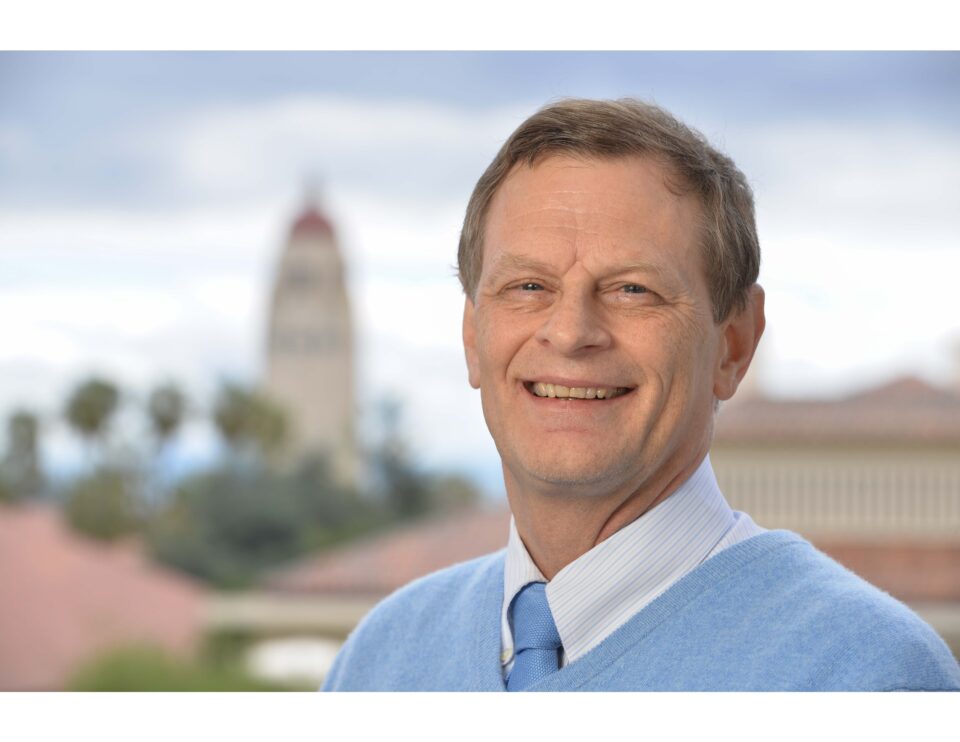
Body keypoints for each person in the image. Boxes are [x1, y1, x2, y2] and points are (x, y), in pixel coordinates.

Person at [322, 98, 960, 691]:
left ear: (734, 344)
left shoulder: (863, 676)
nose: (570, 333)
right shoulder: (380, 661)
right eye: (526, 287)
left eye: (632, 290)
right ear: (472, 335)